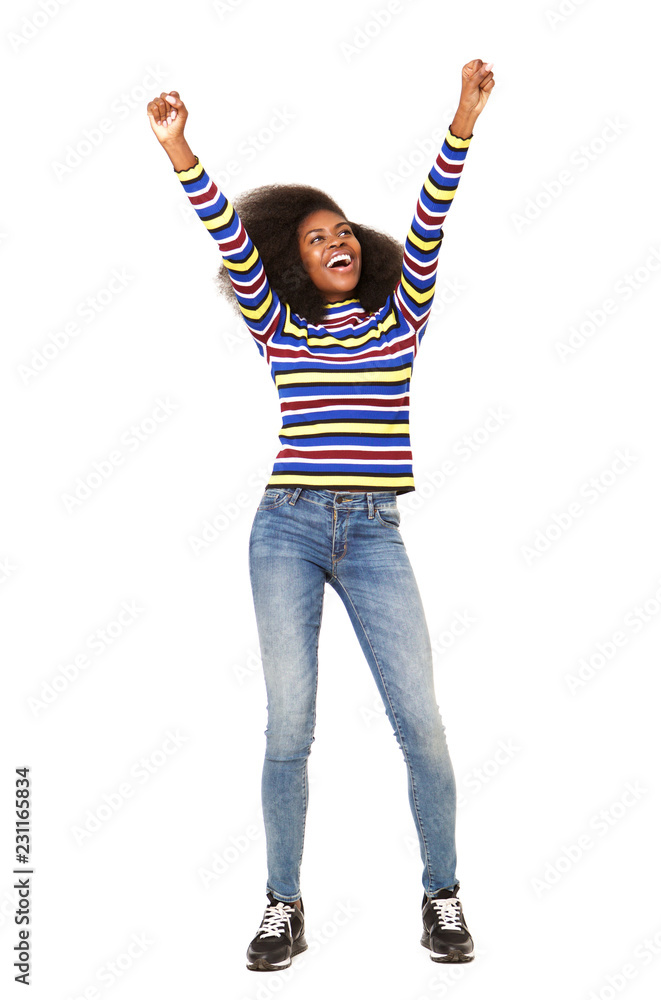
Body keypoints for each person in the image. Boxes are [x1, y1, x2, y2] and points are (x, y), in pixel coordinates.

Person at [147, 57, 494, 972]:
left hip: (374, 532)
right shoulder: (279, 325)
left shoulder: (400, 314)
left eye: (342, 230)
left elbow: (432, 216)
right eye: (312, 237)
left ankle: (442, 895)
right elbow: (229, 237)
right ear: (292, 262)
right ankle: (282, 907)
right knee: (289, 725)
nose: (334, 239)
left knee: (419, 721)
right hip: (286, 529)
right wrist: (182, 151)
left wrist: (459, 121)